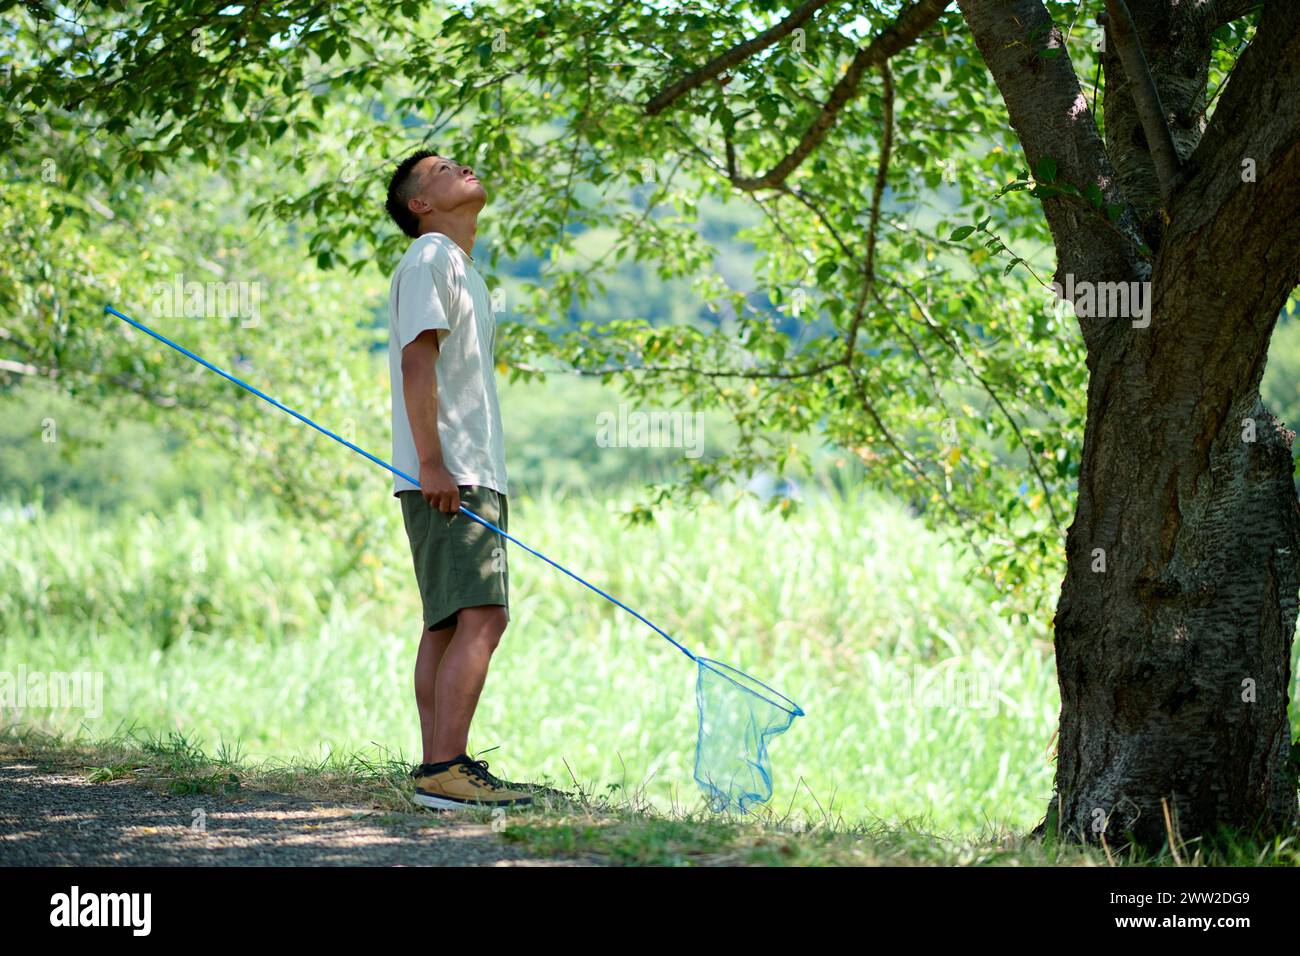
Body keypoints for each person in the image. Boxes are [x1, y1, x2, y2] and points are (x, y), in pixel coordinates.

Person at [384, 148, 531, 810]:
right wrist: (434, 462)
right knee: (482, 615)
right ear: (421, 204)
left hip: (463, 468)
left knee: (449, 620)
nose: (462, 169)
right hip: (450, 470)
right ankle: (444, 769)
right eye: (443, 170)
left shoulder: (458, 267)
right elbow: (418, 363)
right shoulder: (432, 258)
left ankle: (441, 767)